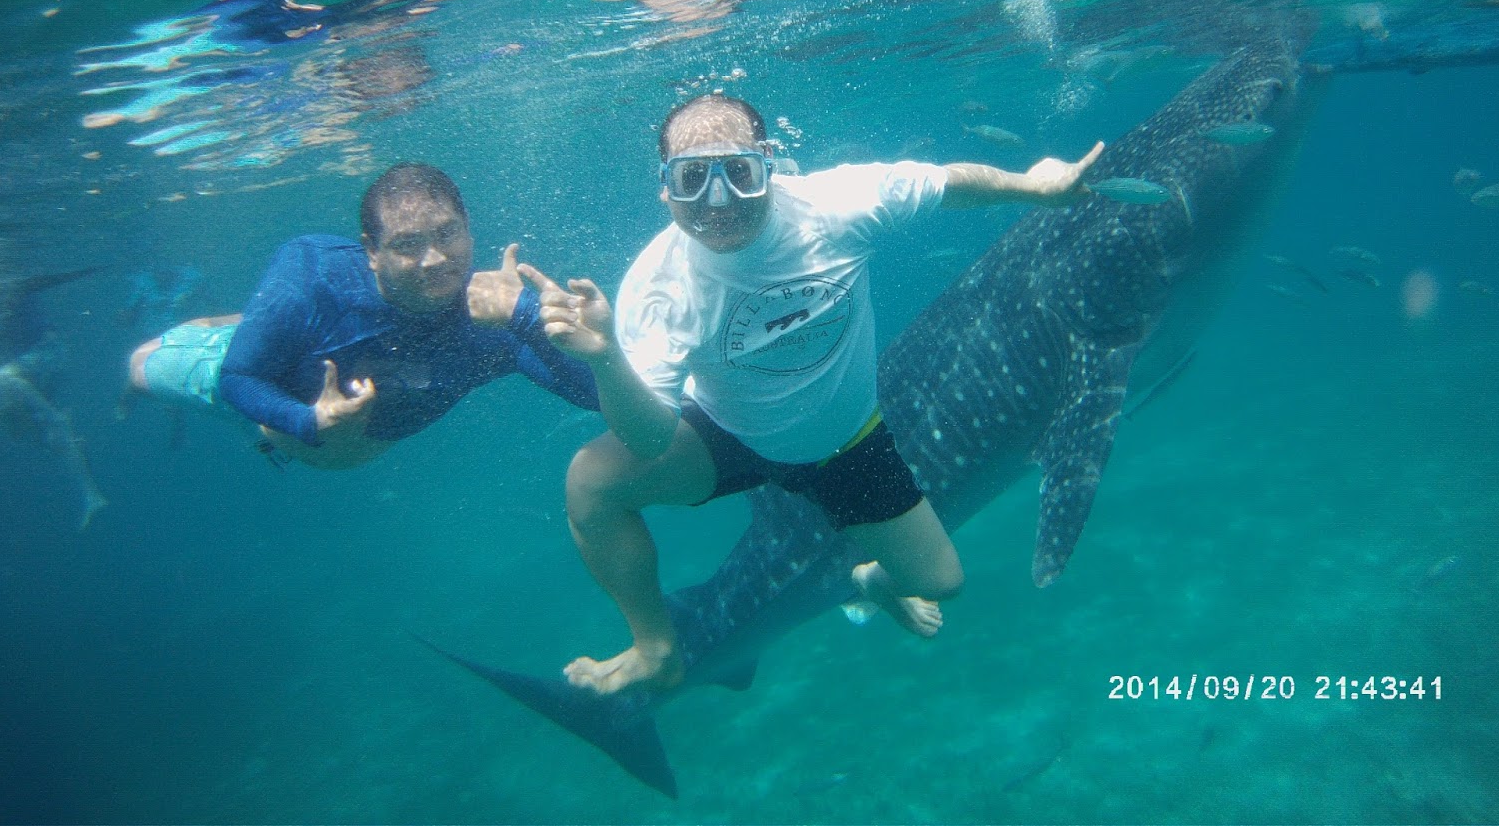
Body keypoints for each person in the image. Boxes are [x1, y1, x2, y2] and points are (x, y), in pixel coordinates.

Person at [521, 94, 1102, 694]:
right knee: (590, 482)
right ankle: (655, 644)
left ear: (768, 166)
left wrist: (1033, 188)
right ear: (664, 190)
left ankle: (871, 580)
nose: (717, 200)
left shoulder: (836, 205)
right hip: (729, 432)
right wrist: (607, 360)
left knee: (942, 581)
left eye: (738, 173)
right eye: (692, 178)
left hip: (843, 441)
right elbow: (648, 440)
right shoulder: (656, 286)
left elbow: (947, 182)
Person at [128, 162, 598, 469]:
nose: (434, 260)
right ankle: (245, 329)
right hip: (281, 408)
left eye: (447, 235)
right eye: (408, 245)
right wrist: (305, 422)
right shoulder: (313, 276)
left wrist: (530, 318)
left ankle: (258, 325)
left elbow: (598, 398)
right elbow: (238, 378)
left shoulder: (496, 320)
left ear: (469, 229)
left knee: (276, 325)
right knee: (140, 366)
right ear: (371, 250)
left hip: (356, 449)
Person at [0, 237, 108, 530]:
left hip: (47, 354)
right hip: (25, 365)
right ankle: (89, 489)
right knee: (7, 423)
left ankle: (54, 418)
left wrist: (92, 269)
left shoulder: (3, 285)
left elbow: (46, 281)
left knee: (5, 378)